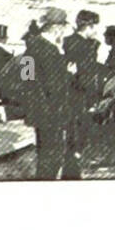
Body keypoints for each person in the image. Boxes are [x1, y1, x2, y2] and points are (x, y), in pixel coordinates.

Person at [19, 17, 84, 180]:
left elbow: (26, 79)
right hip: (52, 113)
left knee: (43, 156)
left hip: (37, 112)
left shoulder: (30, 48)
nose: (63, 32)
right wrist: (68, 74)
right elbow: (54, 87)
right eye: (63, 28)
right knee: (52, 160)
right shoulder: (51, 51)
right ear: (56, 28)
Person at [62, 9, 104, 105]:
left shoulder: (71, 41)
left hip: (82, 90)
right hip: (79, 92)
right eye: (95, 28)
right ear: (88, 26)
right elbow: (84, 71)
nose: (97, 32)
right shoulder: (78, 45)